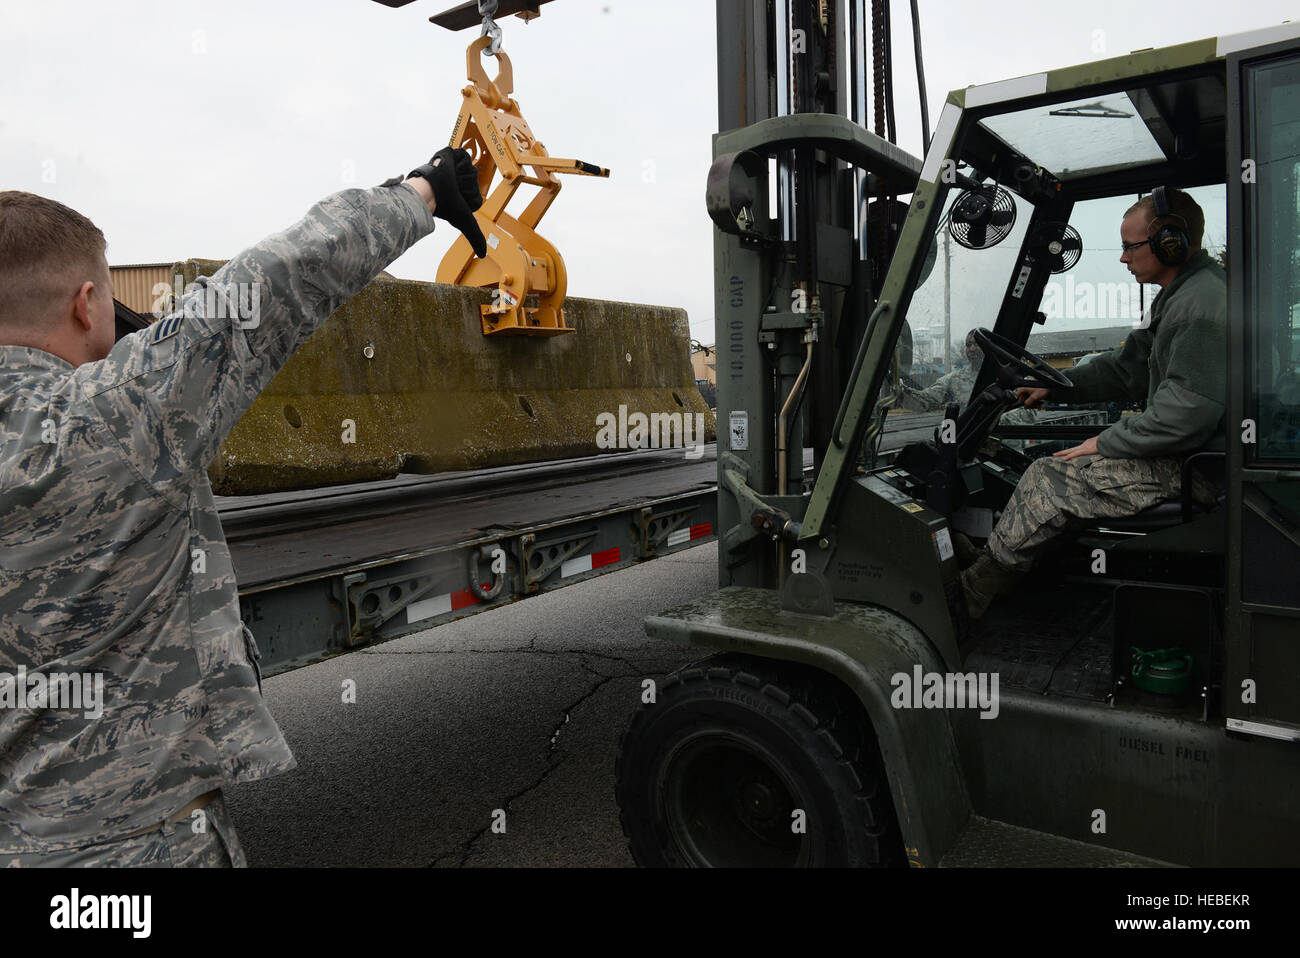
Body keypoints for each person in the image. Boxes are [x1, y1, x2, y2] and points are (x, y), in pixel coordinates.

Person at [0, 147, 488, 866]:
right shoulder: (116, 414)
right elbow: (281, 279)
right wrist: (419, 194)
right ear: (85, 304)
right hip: (131, 846)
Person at [960, 188, 1226, 618]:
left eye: (1129, 247)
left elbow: (1185, 415)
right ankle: (1024, 573)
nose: (1123, 258)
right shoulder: (1182, 296)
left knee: (1048, 476)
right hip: (1189, 458)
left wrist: (1105, 442)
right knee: (1060, 468)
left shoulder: (1201, 306)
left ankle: (975, 591)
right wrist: (1057, 385)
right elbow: (1127, 369)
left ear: (1170, 242)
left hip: (1198, 472)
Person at [897, 329, 1037, 425]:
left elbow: (1031, 412)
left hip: (1007, 454)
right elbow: (924, 402)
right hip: (969, 451)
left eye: (977, 343)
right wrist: (899, 391)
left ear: (991, 347)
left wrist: (995, 419)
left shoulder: (1012, 377)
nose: (971, 348)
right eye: (968, 344)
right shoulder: (953, 380)